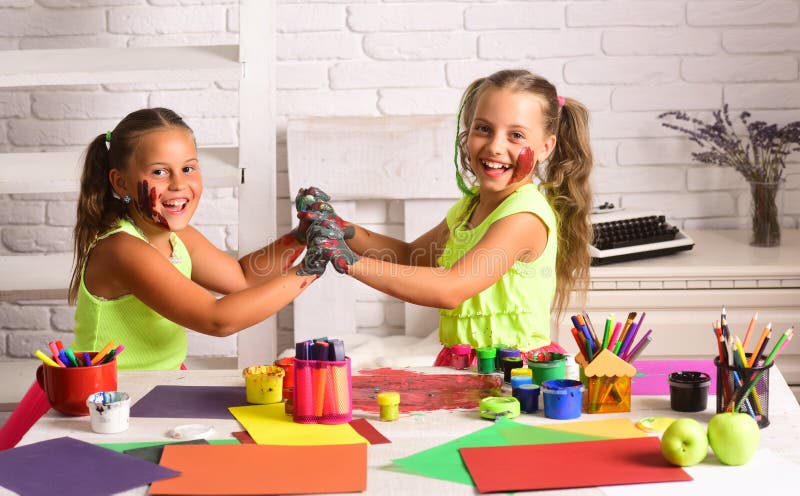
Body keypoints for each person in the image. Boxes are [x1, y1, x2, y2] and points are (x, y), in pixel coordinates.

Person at [298, 69, 594, 366]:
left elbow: (450, 288)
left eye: (516, 135)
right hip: (464, 364)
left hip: (515, 374)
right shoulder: (469, 208)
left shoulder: (525, 217)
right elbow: (412, 256)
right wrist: (340, 228)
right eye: (483, 129)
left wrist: (348, 262)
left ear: (545, 148)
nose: (495, 146)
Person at [68, 107, 322, 370]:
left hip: (159, 386)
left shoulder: (179, 238)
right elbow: (217, 320)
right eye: (159, 172)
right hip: (105, 398)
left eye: (188, 168)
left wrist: (301, 236)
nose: (179, 184)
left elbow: (242, 278)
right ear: (121, 183)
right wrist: (311, 268)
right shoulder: (121, 249)